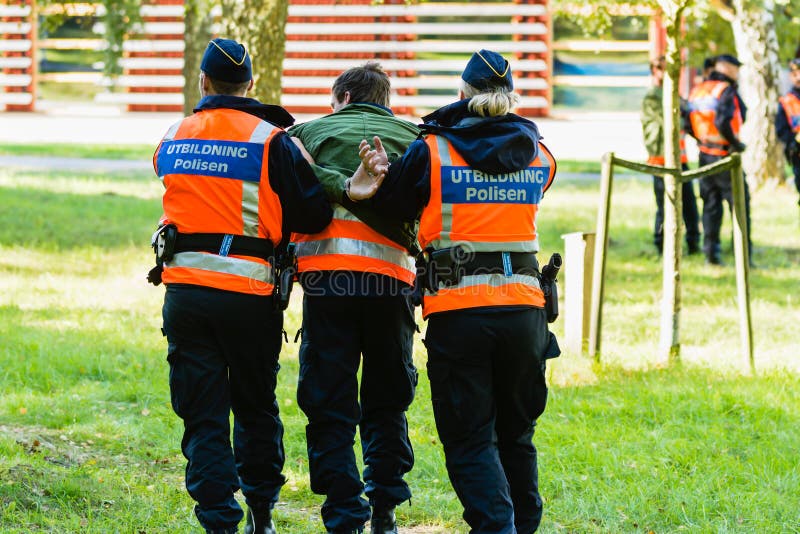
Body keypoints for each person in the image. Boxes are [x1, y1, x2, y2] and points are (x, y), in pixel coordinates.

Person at [352, 49, 561, 533]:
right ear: (510, 98)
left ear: (462, 94)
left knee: (470, 440)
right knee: (517, 436)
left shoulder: (433, 151)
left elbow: (394, 205)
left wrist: (382, 172)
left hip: (460, 312)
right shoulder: (540, 154)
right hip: (526, 312)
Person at [150, 38, 332, 534]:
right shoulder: (270, 141)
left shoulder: (173, 135)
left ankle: (218, 522)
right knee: (255, 407)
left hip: (185, 293)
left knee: (203, 414)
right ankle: (262, 514)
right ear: (251, 84)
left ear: (203, 81)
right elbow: (314, 215)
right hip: (251, 297)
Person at [287, 62, 421, 534]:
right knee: (387, 399)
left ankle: (343, 513)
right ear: (385, 101)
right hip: (391, 283)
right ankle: (384, 509)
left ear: (341, 97)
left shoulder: (305, 132)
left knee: (328, 399)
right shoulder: (414, 138)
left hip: (327, 282)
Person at [687, 53, 752, 265]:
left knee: (711, 206)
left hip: (704, 156)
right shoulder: (725, 91)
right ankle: (744, 255)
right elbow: (725, 121)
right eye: (735, 68)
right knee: (740, 205)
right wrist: (735, 143)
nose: (737, 72)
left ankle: (711, 254)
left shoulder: (698, 90)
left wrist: (703, 140)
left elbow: (688, 122)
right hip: (725, 157)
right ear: (725, 68)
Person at [641, 56, 701, 255]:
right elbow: (671, 122)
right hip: (660, 160)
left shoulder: (675, 96)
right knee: (665, 205)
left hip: (680, 159)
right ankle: (661, 246)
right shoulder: (653, 97)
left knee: (689, 205)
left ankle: (693, 244)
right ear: (653, 70)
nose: (664, 72)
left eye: (669, 68)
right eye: (660, 68)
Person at [775, 58, 800, 211]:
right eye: (795, 73)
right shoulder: (786, 101)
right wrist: (792, 143)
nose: (798, 77)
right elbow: (781, 130)